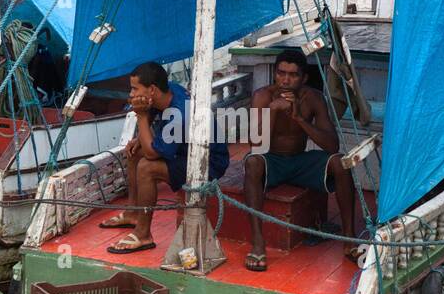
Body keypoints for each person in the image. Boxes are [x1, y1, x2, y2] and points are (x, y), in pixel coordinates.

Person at [241, 49, 359, 271]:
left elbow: (331, 145)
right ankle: (258, 243)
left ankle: (349, 237)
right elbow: (256, 145)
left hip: (299, 161)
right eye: (281, 73)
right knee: (252, 161)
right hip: (271, 160)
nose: (286, 80)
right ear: (274, 74)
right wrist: (274, 110)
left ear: (303, 77)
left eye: (293, 75)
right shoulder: (263, 96)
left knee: (340, 162)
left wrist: (299, 118)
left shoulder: (313, 97)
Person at [99, 61, 230, 254]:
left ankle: (143, 235)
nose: (131, 95)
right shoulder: (170, 90)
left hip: (206, 162)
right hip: (183, 150)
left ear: (151, 89)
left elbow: (152, 153)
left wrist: (141, 117)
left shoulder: (179, 114)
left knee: (146, 167)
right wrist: (139, 137)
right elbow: (154, 110)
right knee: (134, 152)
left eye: (135, 89)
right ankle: (133, 213)